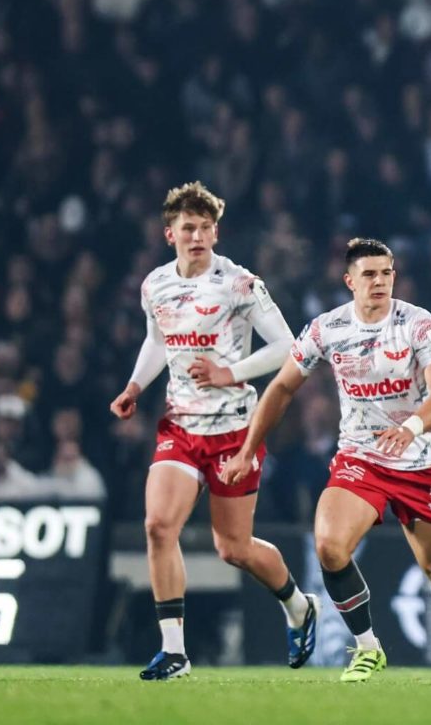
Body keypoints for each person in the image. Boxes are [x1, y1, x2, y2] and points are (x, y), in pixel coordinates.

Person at [221, 238, 431, 684]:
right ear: (349, 281)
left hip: (418, 462)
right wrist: (246, 449)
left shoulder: (418, 323)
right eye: (369, 274)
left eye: (386, 273)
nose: (379, 282)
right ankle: (368, 648)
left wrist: (410, 427)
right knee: (330, 546)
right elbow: (280, 388)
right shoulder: (326, 329)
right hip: (360, 459)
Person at [110, 181, 313, 681]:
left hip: (234, 431)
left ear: (215, 232)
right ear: (169, 234)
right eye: (187, 228)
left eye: (204, 228)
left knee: (233, 547)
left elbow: (289, 347)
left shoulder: (239, 283)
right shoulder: (155, 285)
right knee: (159, 526)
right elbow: (158, 340)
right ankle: (174, 651)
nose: (197, 235)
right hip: (179, 425)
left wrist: (230, 372)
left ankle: (299, 606)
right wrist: (135, 386)